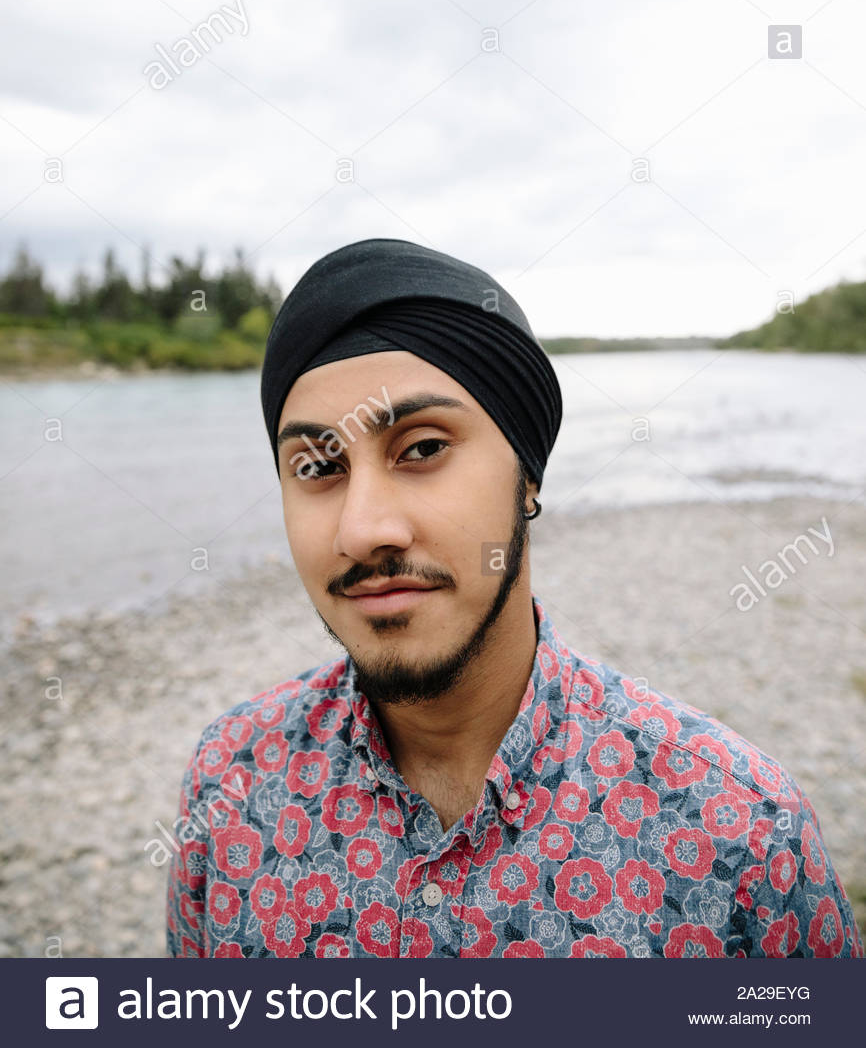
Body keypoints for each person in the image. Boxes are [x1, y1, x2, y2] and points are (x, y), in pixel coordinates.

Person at [166, 237, 863, 958]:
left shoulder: (738, 831)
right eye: (316, 465)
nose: (365, 530)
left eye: (424, 447)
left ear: (527, 477)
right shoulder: (230, 784)